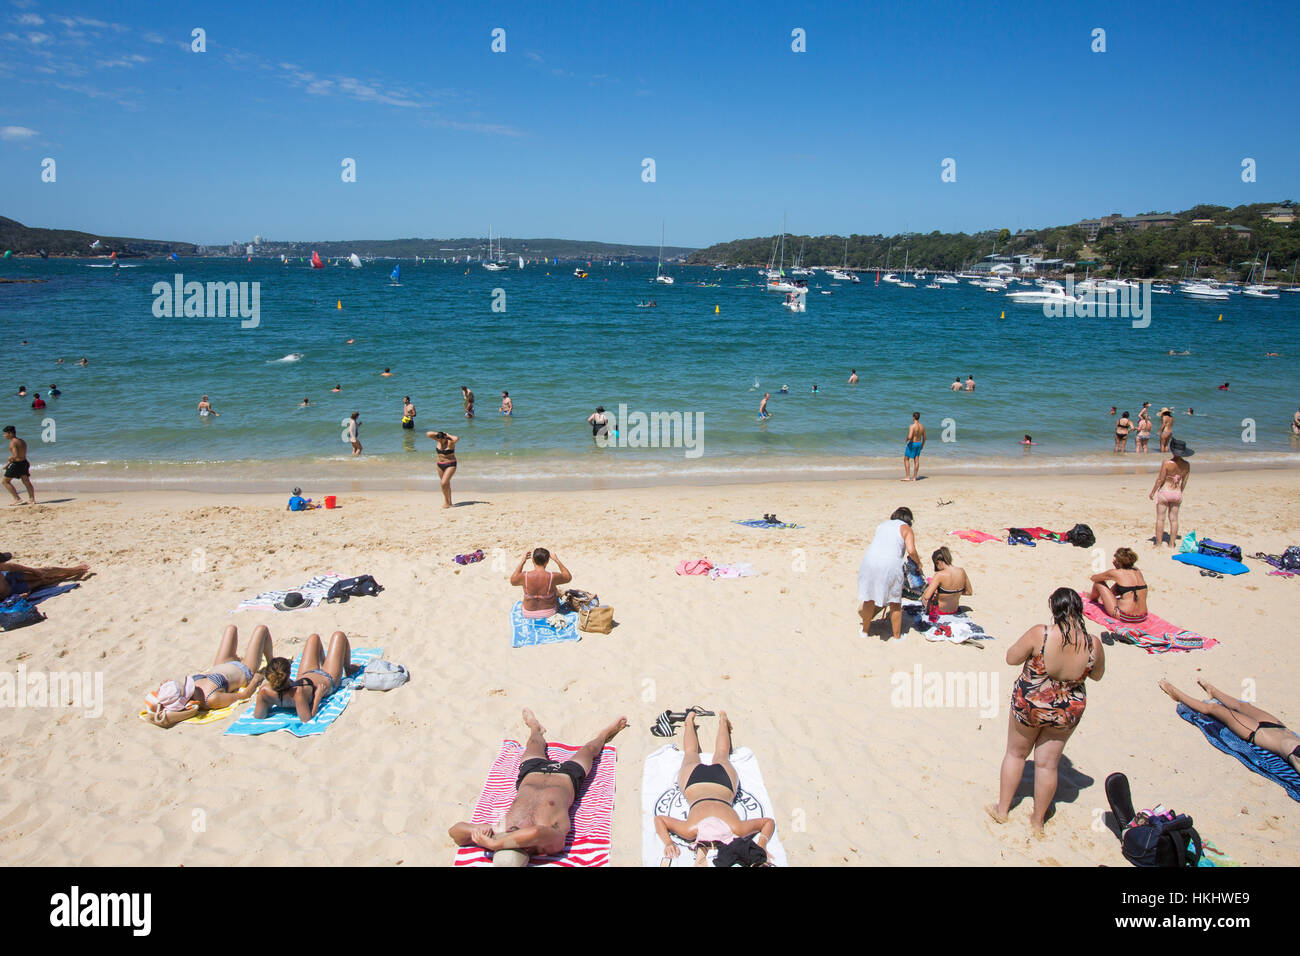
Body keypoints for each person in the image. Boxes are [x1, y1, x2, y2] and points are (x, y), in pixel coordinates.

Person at [987, 588, 1104, 838]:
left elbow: (1011, 658)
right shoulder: (1093, 643)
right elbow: (1097, 675)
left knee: (1016, 754)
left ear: (1055, 609)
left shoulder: (1041, 633)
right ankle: (1038, 821)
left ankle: (1003, 809)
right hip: (1067, 707)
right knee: (1048, 764)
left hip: (1032, 702)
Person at [449, 709, 628, 866]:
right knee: (589, 750)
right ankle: (604, 734)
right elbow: (536, 831)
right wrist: (494, 844)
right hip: (567, 776)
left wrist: (479, 832)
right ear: (525, 849)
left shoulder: (502, 831)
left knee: (534, 744)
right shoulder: (549, 843)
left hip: (531, 773)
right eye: (513, 839)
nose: (512, 831)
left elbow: (455, 831)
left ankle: (535, 727)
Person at [653, 710, 776, 866]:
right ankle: (698, 722)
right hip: (696, 785)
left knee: (717, 754)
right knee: (699, 753)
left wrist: (762, 844)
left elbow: (767, 822)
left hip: (722, 785)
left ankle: (708, 721)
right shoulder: (691, 830)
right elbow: (659, 820)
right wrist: (668, 842)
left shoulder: (736, 828)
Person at [1158, 679, 1300, 774]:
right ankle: (1214, 691)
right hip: (1279, 727)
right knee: (1242, 705)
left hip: (1257, 732)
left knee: (1214, 709)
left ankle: (1175, 693)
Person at [144, 625, 273, 728]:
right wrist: (255, 680)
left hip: (221, 664)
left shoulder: (189, 689)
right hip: (245, 669)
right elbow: (243, 696)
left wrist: (166, 687)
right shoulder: (212, 699)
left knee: (230, 628)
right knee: (261, 629)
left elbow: (164, 694)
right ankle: (272, 661)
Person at [254, 631, 361, 722]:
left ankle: (325, 663)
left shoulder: (264, 691)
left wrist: (271, 701)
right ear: (288, 674)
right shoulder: (297, 693)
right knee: (339, 636)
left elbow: (259, 716)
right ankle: (348, 668)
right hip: (328, 678)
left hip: (305, 675)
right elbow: (307, 718)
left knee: (313, 638)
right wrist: (317, 697)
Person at [858, 507, 922, 641]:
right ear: (909, 520)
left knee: (869, 598)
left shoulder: (882, 525)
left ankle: (864, 631)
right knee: (895, 603)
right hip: (890, 565)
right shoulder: (906, 529)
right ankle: (897, 636)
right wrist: (919, 563)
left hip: (869, 561)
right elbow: (911, 550)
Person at [1149, 438, 1192, 548]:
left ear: (1172, 451)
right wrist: (1180, 492)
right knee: (1174, 519)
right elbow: (1184, 482)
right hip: (1176, 493)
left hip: (1165, 491)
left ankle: (1158, 544)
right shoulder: (1186, 465)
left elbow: (1160, 480)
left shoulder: (1167, 463)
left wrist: (1153, 492)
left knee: (1160, 519)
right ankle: (1172, 544)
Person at [1088, 548, 1148, 623]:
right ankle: (1100, 599)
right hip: (1142, 616)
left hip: (1125, 616)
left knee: (1099, 583)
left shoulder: (1115, 573)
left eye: (1115, 560)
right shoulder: (1137, 571)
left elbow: (1094, 578)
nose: (1113, 561)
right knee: (1121, 585)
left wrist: (1114, 572)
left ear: (1119, 562)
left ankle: (1093, 600)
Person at [511, 548, 572, 619]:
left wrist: (522, 562)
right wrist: (556, 560)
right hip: (549, 613)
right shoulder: (552, 576)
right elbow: (568, 577)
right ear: (547, 561)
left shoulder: (525, 576)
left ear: (533, 560)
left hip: (528, 613)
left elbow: (513, 582)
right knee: (556, 591)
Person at [0, 557, 92, 600]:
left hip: (9, 578)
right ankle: (65, 576)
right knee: (40, 581)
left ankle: (72, 570)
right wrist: (16, 598)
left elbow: (11, 566)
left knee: (40, 572)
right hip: (11, 590)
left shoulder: (2, 567)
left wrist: (32, 570)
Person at [919, 547, 972, 615]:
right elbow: (969, 592)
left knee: (929, 582)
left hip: (939, 611)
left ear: (939, 562)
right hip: (954, 610)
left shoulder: (939, 575)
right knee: (933, 582)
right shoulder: (962, 571)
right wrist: (953, 593)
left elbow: (926, 597)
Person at [3, 425, 34, 504]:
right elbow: (21, 454)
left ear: (10, 433)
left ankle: (17, 499)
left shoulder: (12, 442)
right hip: (25, 462)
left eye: (5, 433)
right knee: (26, 481)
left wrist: (9, 459)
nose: (4, 435)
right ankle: (32, 499)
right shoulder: (21, 441)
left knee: (5, 482)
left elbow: (16, 456)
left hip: (17, 464)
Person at [427, 430, 458, 507]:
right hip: (440, 464)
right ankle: (448, 502)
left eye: (442, 440)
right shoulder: (438, 440)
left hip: (450, 464)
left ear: (445, 438)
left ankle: (447, 502)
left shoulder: (450, 442)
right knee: (446, 484)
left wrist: (448, 434)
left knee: (443, 483)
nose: (440, 441)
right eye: (439, 440)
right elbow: (428, 434)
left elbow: (456, 438)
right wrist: (438, 434)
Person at [902, 411, 925, 481]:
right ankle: (914, 477)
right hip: (919, 443)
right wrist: (922, 445)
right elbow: (925, 437)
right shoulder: (922, 427)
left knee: (906, 459)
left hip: (912, 443)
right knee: (916, 460)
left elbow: (910, 436)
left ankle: (908, 476)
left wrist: (906, 439)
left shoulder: (912, 426)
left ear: (913, 417)